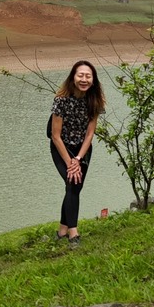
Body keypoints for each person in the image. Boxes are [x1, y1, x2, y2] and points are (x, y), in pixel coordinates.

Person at [49, 60, 106, 247]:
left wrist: (79, 159)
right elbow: (56, 136)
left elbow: (90, 133)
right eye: (80, 75)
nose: (84, 79)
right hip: (61, 148)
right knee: (73, 183)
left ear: (93, 80)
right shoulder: (61, 100)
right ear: (73, 77)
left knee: (74, 186)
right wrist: (70, 163)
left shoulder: (95, 100)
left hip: (82, 149)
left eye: (88, 76)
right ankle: (73, 233)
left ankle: (62, 230)